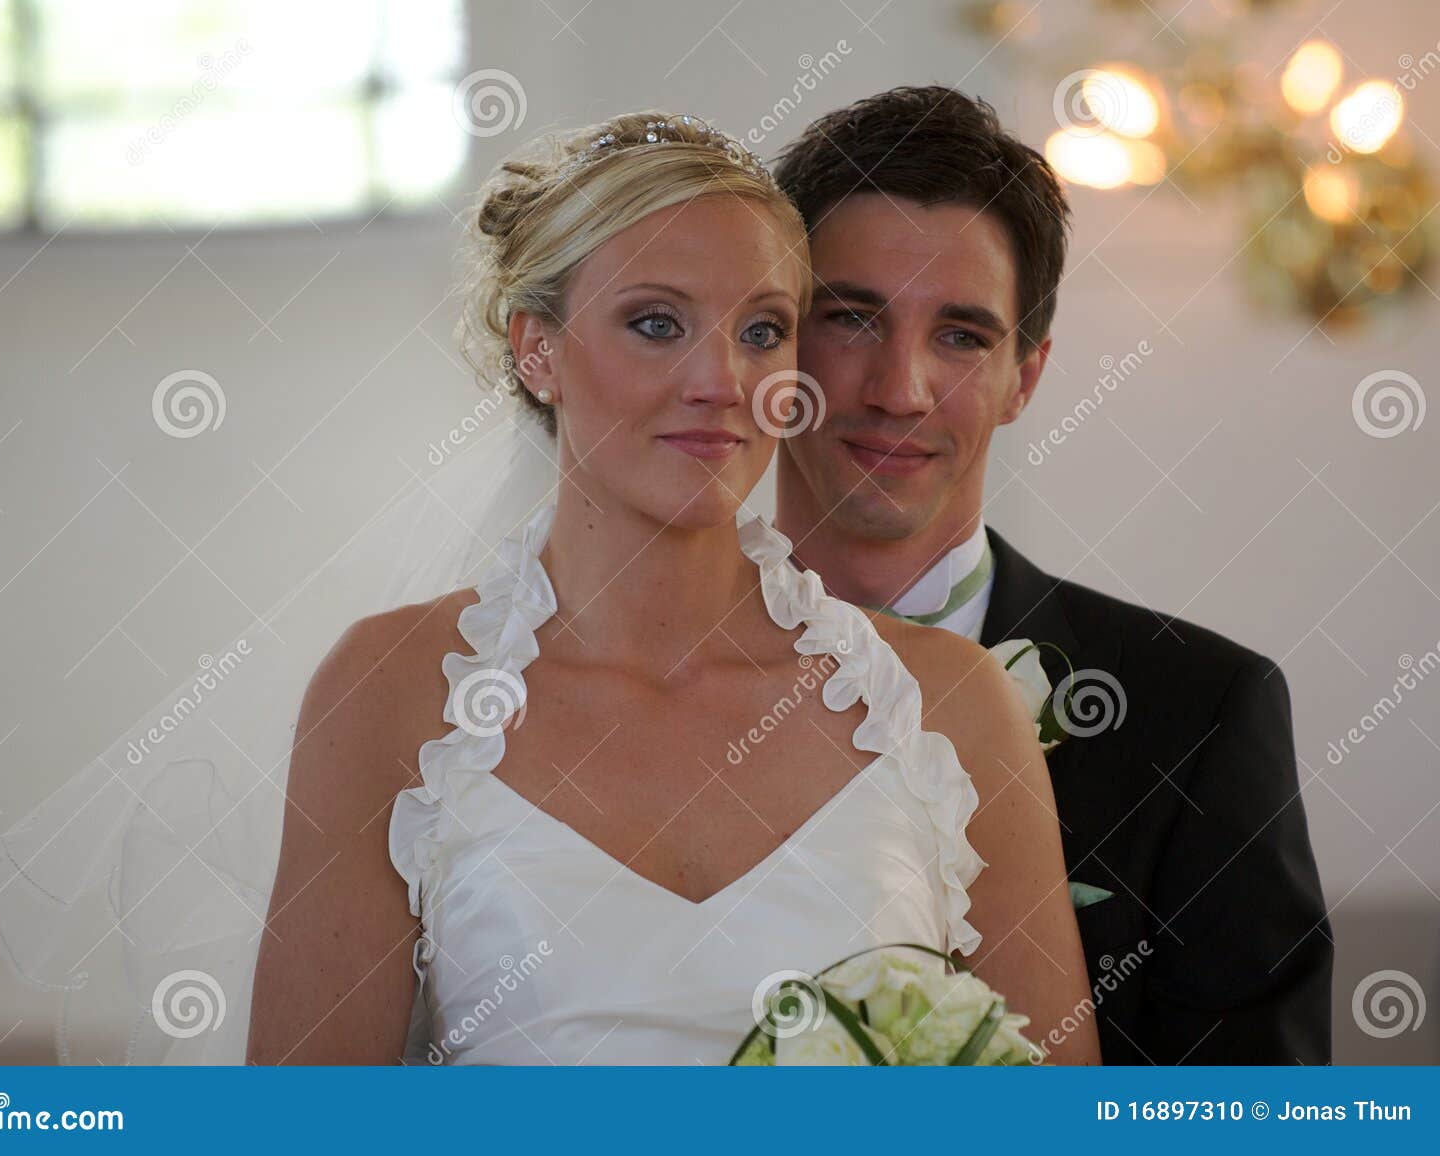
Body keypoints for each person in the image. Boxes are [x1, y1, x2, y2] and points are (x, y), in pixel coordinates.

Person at [243, 112, 1099, 1065]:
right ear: (539, 350)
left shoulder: (950, 707)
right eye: (657, 324)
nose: (721, 380)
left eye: (764, 330)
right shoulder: (394, 694)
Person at [770, 86, 1333, 1064]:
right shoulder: (617, 684)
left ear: (1024, 376)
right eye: (850, 318)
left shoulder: (1199, 713)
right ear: (771, 340)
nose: (898, 389)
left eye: (961, 336)